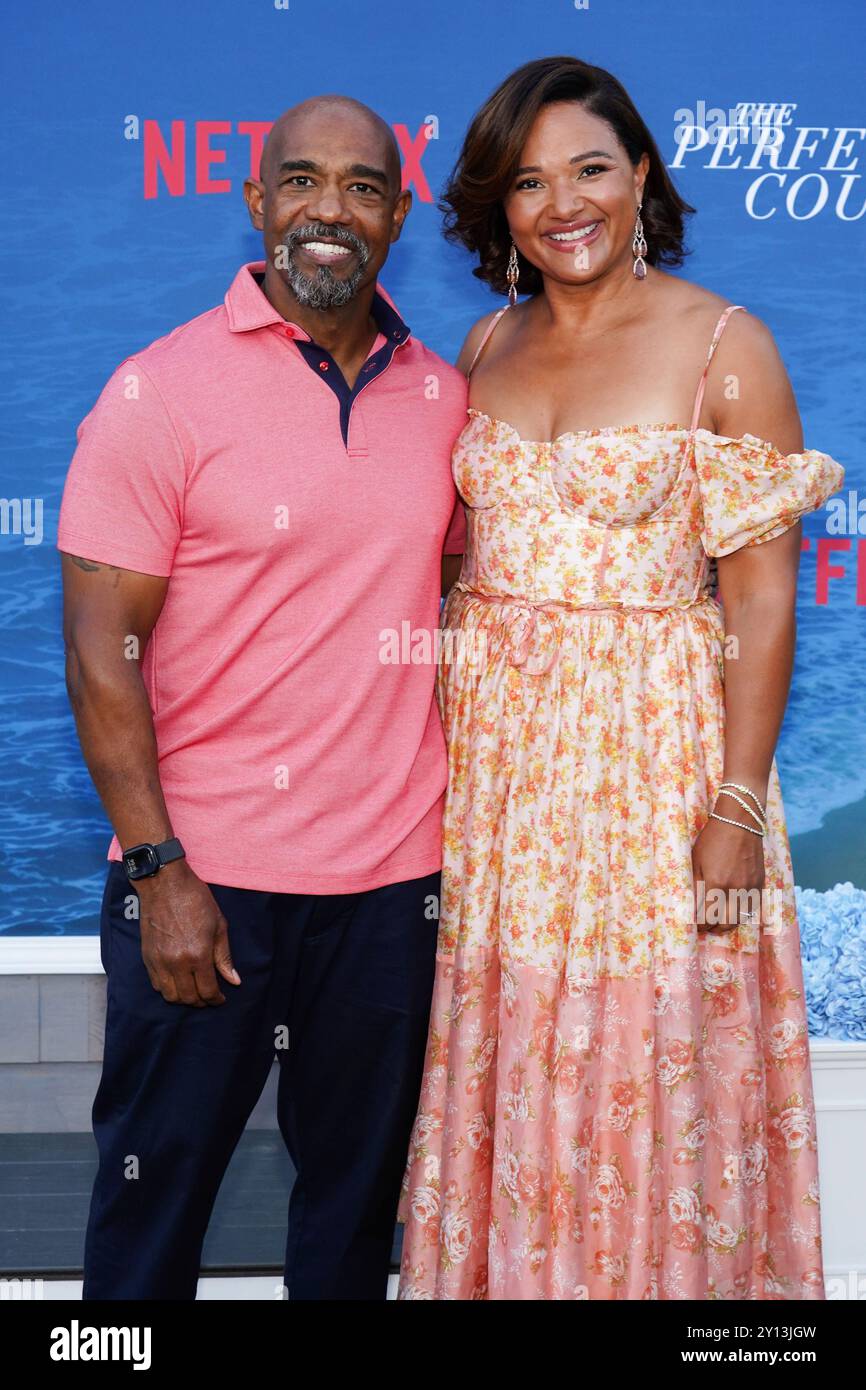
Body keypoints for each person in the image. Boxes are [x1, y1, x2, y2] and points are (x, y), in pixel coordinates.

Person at [397, 56, 844, 1300]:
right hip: (501, 787)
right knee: (517, 1043)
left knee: (652, 1058)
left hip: (654, 767)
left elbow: (756, 598)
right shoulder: (485, 340)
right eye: (528, 181)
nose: (562, 203)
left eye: (589, 168)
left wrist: (737, 802)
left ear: (639, 173)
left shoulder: (721, 343)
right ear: (499, 207)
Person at [57, 95, 467, 1301]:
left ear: (398, 211)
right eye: (299, 182)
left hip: (394, 889)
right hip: (205, 883)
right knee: (147, 1214)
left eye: (357, 186)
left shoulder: (444, 402)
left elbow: (452, 611)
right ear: (255, 202)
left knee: (350, 1224)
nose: (326, 211)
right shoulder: (160, 393)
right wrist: (158, 868)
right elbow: (98, 654)